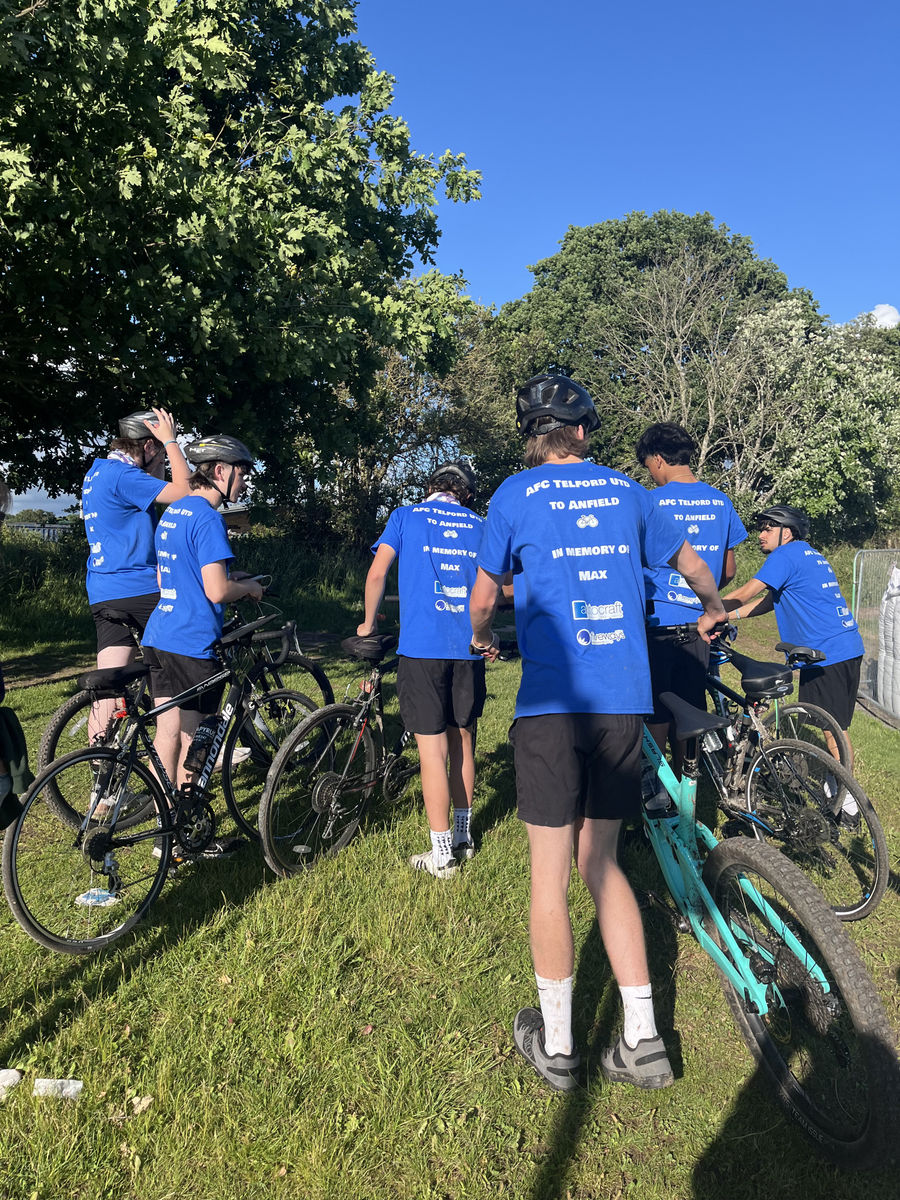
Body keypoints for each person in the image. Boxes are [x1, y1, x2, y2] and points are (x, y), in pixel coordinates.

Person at [469, 374, 726, 1092]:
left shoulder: (513, 495)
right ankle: (643, 1040)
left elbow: (485, 597)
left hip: (550, 709)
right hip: (621, 703)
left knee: (548, 874)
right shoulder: (629, 493)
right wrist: (709, 609)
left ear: (532, 437)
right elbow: (695, 566)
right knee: (602, 862)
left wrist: (483, 636)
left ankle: (558, 1045)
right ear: (583, 431)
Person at [357, 459, 486, 878]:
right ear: (464, 494)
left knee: (432, 754)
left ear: (432, 487)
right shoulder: (478, 524)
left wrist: (368, 622)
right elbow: (496, 588)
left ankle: (441, 854)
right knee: (463, 743)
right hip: (467, 648)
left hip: (421, 651)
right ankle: (465, 839)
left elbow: (378, 573)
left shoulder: (404, 516)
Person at [141, 435, 264, 791]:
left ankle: (165, 817)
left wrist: (227, 577)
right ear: (221, 471)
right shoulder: (209, 520)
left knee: (168, 730)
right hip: (192, 642)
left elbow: (167, 575)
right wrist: (248, 588)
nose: (244, 482)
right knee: (199, 737)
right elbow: (217, 591)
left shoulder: (173, 513)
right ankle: (188, 819)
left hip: (159, 635)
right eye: (242, 473)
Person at [635, 422, 747, 800]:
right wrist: (706, 598)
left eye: (649, 465)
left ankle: (655, 793)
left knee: (658, 711)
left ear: (659, 460)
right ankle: (689, 791)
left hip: (659, 622)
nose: (650, 473)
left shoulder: (651, 502)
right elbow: (728, 570)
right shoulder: (721, 501)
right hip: (702, 622)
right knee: (691, 708)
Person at [722, 505, 865, 777]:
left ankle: (847, 804)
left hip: (827, 652)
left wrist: (708, 610)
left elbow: (746, 592)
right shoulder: (808, 554)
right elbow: (767, 602)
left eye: (768, 528)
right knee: (836, 727)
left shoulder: (784, 555)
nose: (761, 535)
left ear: (786, 533)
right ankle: (840, 789)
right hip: (848, 646)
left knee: (831, 730)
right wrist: (728, 615)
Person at [82, 409, 191, 741]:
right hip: (140, 589)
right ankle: (188, 748)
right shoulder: (125, 477)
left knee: (107, 689)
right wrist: (171, 441)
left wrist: (157, 463)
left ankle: (99, 787)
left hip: (103, 590)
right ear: (147, 446)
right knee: (180, 673)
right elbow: (185, 492)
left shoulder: (98, 472)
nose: (163, 459)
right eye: (157, 451)